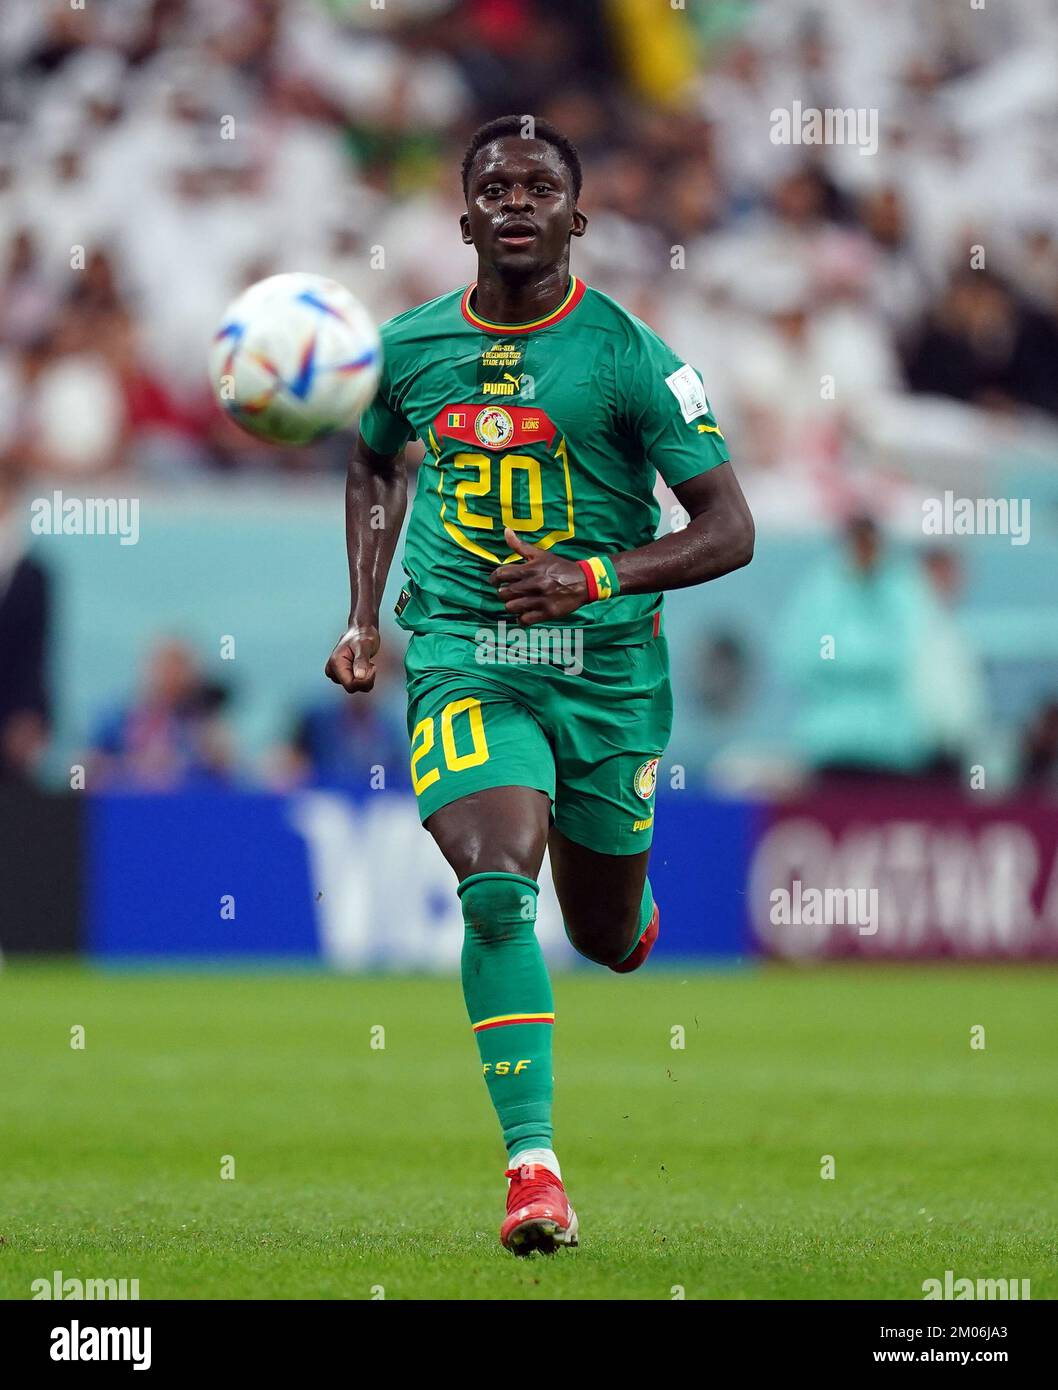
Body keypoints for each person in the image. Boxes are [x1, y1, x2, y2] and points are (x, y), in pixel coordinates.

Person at [324, 116, 753, 1255]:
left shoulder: (632, 358)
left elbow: (728, 528)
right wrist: (366, 614)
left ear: (578, 216)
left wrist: (595, 573)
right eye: (494, 188)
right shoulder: (407, 349)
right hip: (466, 653)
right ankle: (533, 1169)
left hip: (605, 673)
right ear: (463, 218)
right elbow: (373, 454)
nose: (515, 201)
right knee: (495, 885)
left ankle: (623, 912)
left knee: (604, 935)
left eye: (540, 186)